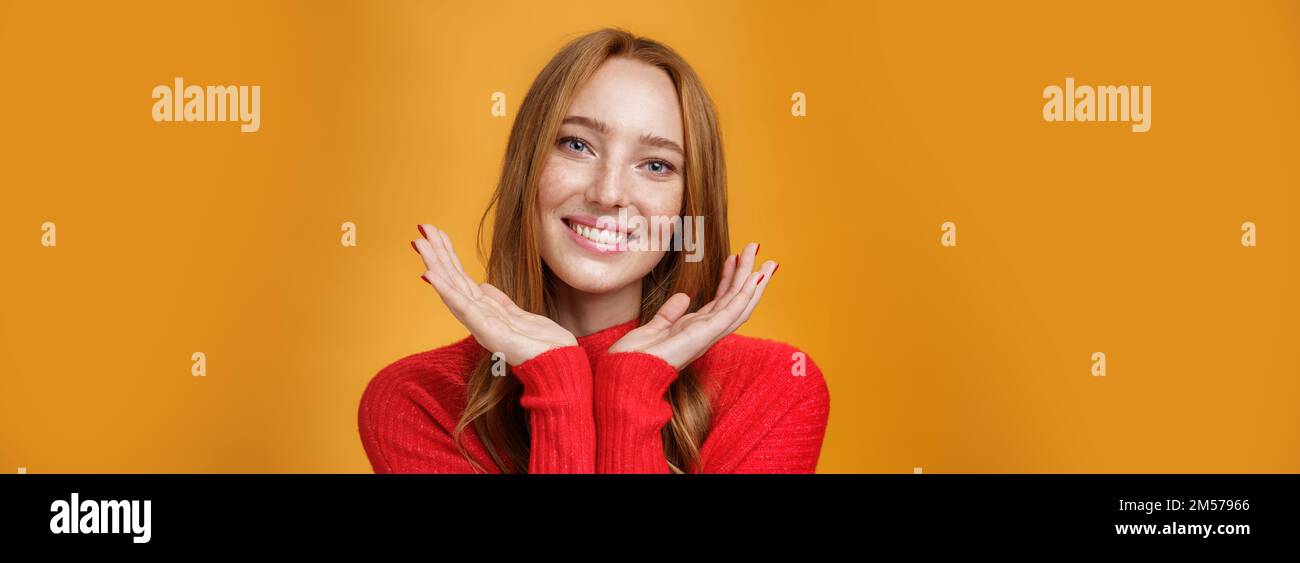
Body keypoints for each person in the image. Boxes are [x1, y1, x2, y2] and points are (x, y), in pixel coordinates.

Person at [358, 28, 829, 473]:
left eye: (656, 164)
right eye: (577, 144)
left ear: (689, 206)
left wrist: (632, 387)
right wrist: (556, 383)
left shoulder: (774, 388)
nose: (608, 193)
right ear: (529, 168)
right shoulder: (418, 400)